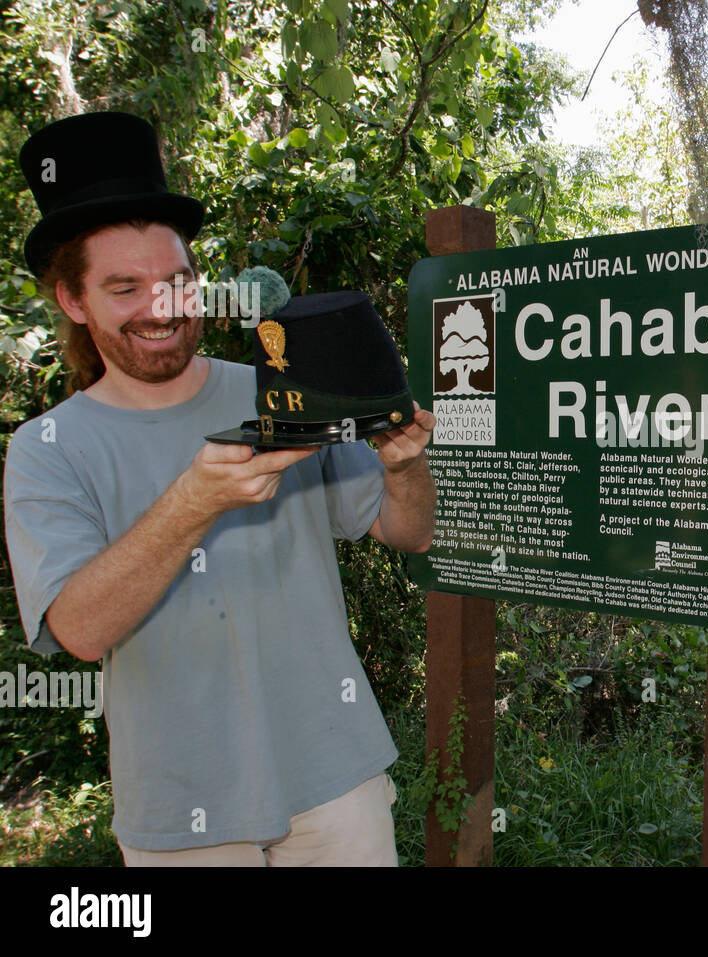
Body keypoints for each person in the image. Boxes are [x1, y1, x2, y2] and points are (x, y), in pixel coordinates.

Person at [4, 111, 437, 866]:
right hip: (181, 811)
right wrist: (193, 500)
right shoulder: (46, 449)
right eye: (124, 288)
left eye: (176, 282)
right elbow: (77, 629)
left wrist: (404, 465)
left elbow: (409, 532)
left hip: (336, 779)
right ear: (74, 301)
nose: (160, 309)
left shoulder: (283, 393)